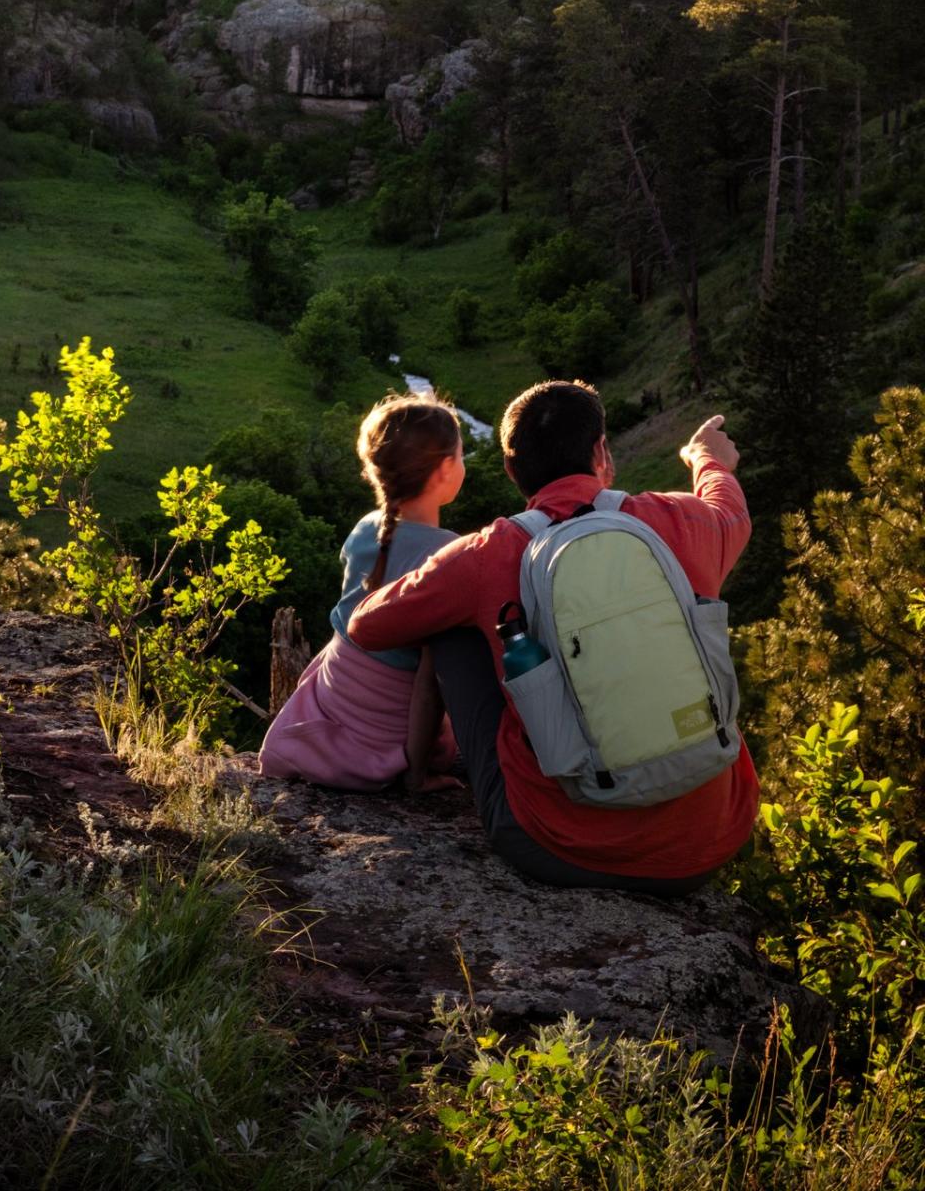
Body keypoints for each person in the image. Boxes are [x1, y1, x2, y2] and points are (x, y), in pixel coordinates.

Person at [349, 380, 759, 893]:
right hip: (709, 842)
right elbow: (730, 510)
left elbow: (367, 625)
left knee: (453, 630)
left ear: (510, 470)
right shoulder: (679, 522)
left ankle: (427, 769)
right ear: (601, 452)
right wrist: (706, 459)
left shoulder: (486, 554)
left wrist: (447, 577)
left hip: (555, 843)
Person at [259, 392, 466, 792]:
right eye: (460, 455)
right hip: (388, 731)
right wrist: (417, 774)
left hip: (337, 696)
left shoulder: (365, 528)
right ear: (443, 469)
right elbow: (430, 683)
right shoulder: (449, 555)